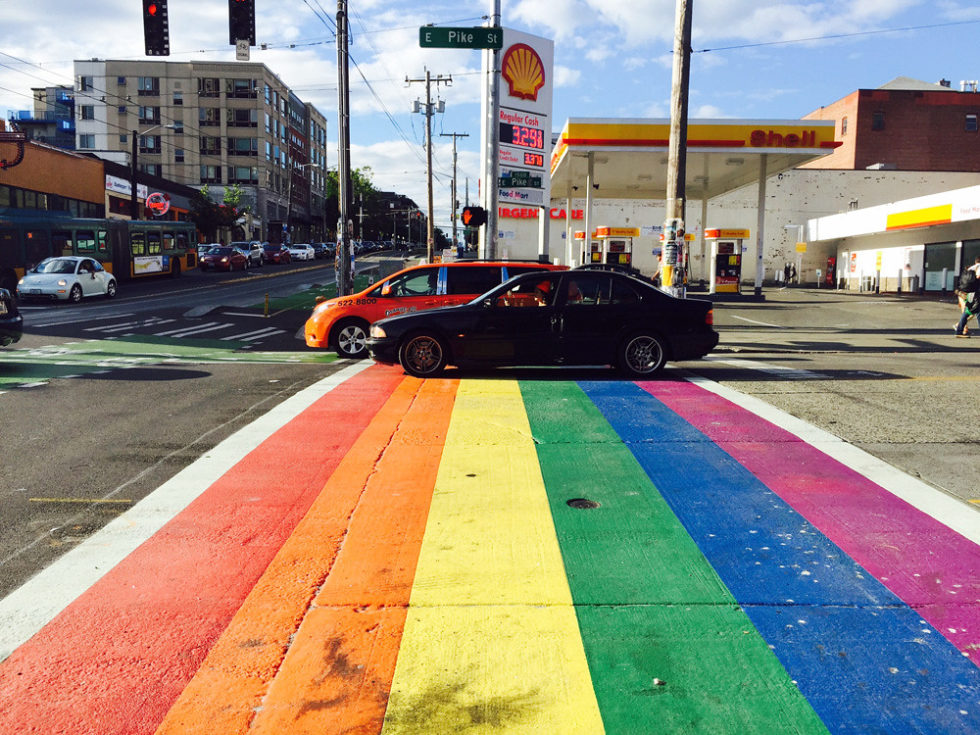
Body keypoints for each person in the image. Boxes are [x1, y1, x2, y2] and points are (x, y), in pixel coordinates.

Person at [954, 257, 980, 337]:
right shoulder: (979, 267)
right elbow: (978, 278)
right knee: (970, 311)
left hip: (965, 292)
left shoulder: (971, 268)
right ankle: (959, 330)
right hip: (974, 293)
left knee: (971, 311)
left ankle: (959, 330)